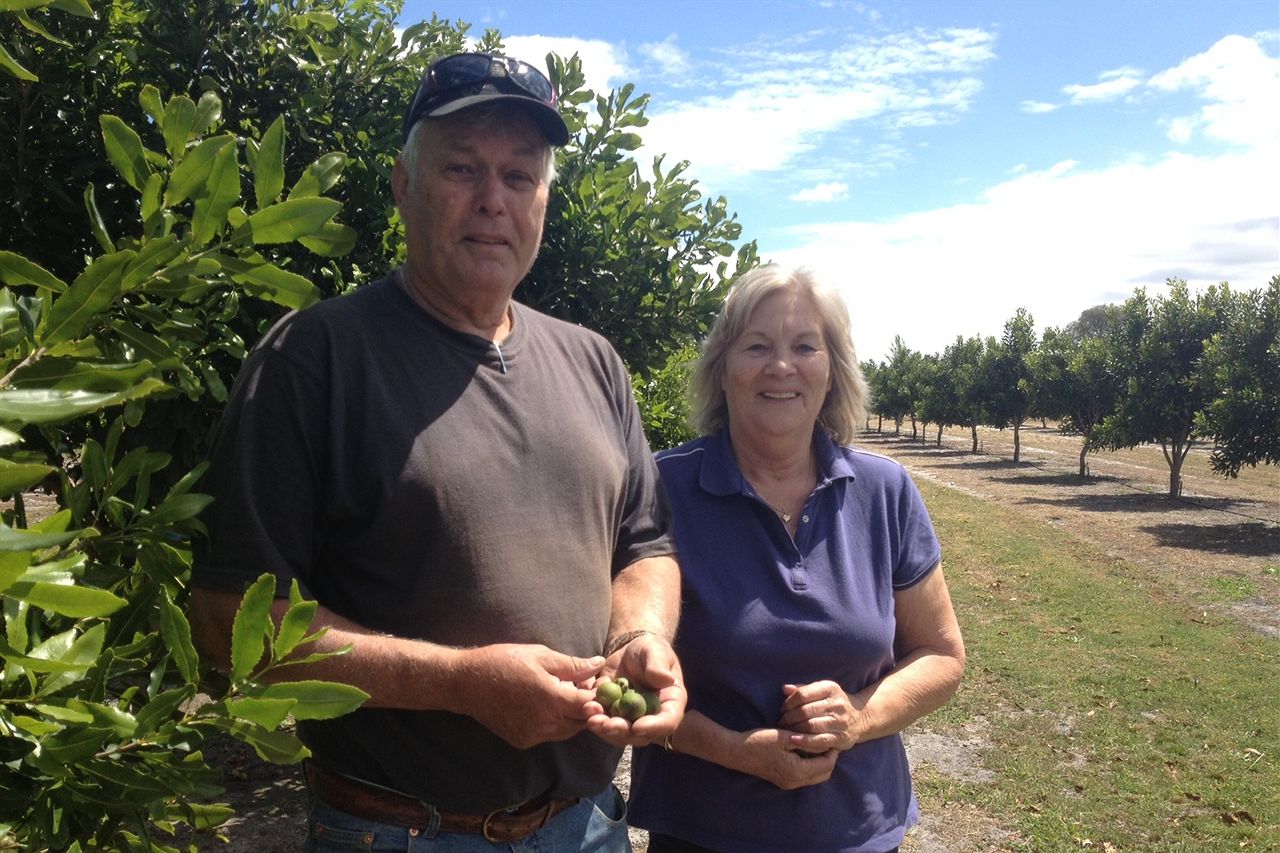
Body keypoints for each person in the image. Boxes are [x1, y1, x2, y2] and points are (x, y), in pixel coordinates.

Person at [189, 51, 685, 852]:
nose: (493, 200)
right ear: (402, 183)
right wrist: (459, 685)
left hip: (584, 828)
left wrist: (640, 638)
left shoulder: (594, 361)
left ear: (544, 199)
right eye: (463, 167)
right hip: (401, 831)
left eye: (520, 177)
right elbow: (226, 622)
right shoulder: (312, 360)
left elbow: (645, 545)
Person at [628, 265, 965, 853]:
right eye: (756, 346)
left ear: (832, 370)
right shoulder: (660, 490)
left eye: (804, 346)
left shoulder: (884, 492)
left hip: (857, 833)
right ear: (723, 370)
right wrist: (734, 751)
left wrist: (858, 717)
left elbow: (940, 654)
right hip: (702, 835)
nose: (780, 367)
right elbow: (624, 670)